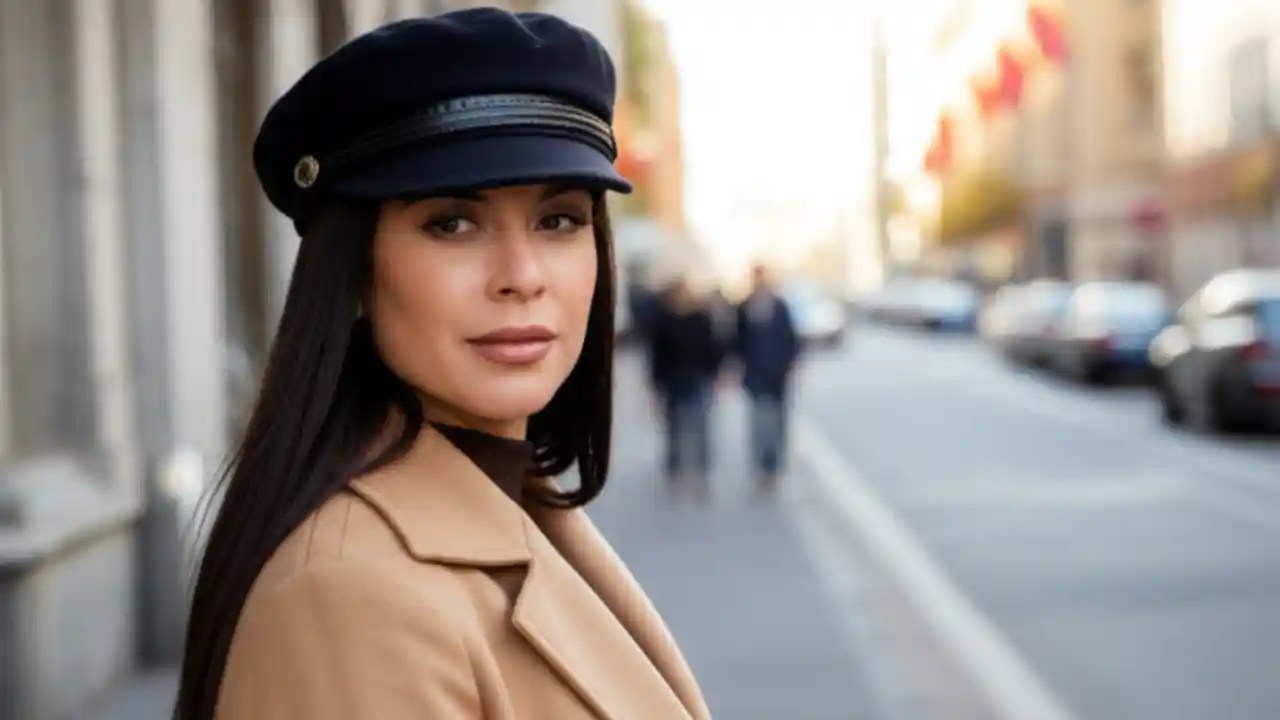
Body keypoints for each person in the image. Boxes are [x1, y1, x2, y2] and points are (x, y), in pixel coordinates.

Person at [176, 11, 710, 720]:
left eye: (558, 220)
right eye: (453, 223)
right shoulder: (348, 599)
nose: (521, 276)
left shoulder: (514, 500)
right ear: (356, 273)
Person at [648, 278, 722, 498]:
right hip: (673, 382)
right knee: (674, 429)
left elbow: (712, 348)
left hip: (698, 380)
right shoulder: (663, 321)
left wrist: (713, 373)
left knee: (700, 428)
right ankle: (675, 468)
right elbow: (657, 355)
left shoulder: (700, 318)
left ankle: (702, 473)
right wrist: (655, 384)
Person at [735, 265, 801, 489]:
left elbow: (791, 338)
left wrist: (791, 363)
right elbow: (737, 342)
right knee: (759, 422)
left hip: (778, 375)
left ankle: (774, 466)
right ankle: (761, 466)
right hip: (755, 375)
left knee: (778, 422)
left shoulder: (779, 306)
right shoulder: (744, 307)